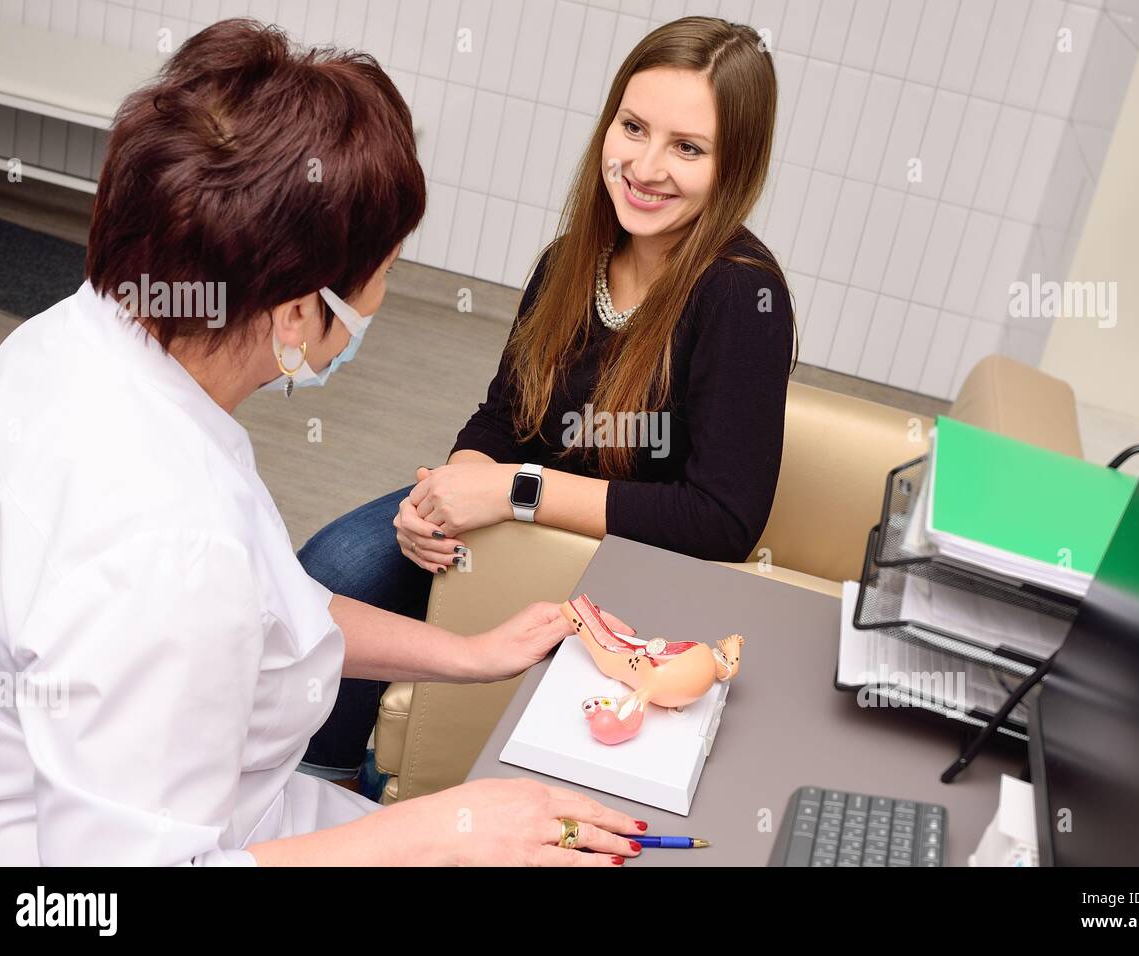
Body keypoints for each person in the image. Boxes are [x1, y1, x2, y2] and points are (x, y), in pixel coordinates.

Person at [0, 19, 643, 867]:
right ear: (295, 315)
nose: (386, 292)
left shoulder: (74, 338)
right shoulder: (168, 543)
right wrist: (442, 830)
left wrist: (472, 655)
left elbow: (265, 610)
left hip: (214, 809)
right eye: (386, 270)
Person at [298, 16, 797, 795]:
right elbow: (505, 415)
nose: (645, 166)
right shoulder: (571, 260)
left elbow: (723, 521)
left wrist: (513, 490)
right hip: (517, 519)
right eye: (633, 128)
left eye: (687, 148)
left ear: (734, 166)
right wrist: (449, 489)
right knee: (328, 573)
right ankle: (317, 790)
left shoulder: (743, 295)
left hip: (619, 557)